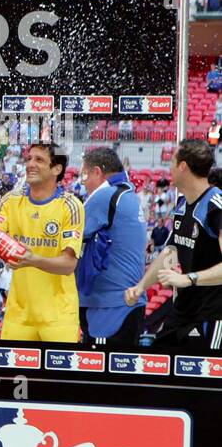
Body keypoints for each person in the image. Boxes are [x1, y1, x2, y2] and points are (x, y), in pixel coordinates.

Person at [0, 143, 83, 342]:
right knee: (12, 373)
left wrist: (32, 260)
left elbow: (68, 265)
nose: (30, 164)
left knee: (58, 374)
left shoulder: (70, 206)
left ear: (57, 169)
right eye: (29, 159)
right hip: (18, 315)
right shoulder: (11, 201)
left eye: (39, 160)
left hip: (58, 316)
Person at [127, 140, 222, 351]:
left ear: (183, 166)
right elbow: (171, 252)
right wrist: (141, 286)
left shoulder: (216, 206)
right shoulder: (182, 206)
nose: (168, 167)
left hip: (213, 315)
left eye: (171, 161)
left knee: (207, 380)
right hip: (182, 312)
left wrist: (188, 279)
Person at [77, 147, 146, 347]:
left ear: (97, 172)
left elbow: (67, 235)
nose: (82, 182)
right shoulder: (129, 195)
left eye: (84, 175)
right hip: (127, 304)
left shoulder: (105, 196)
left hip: (109, 307)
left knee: (97, 374)